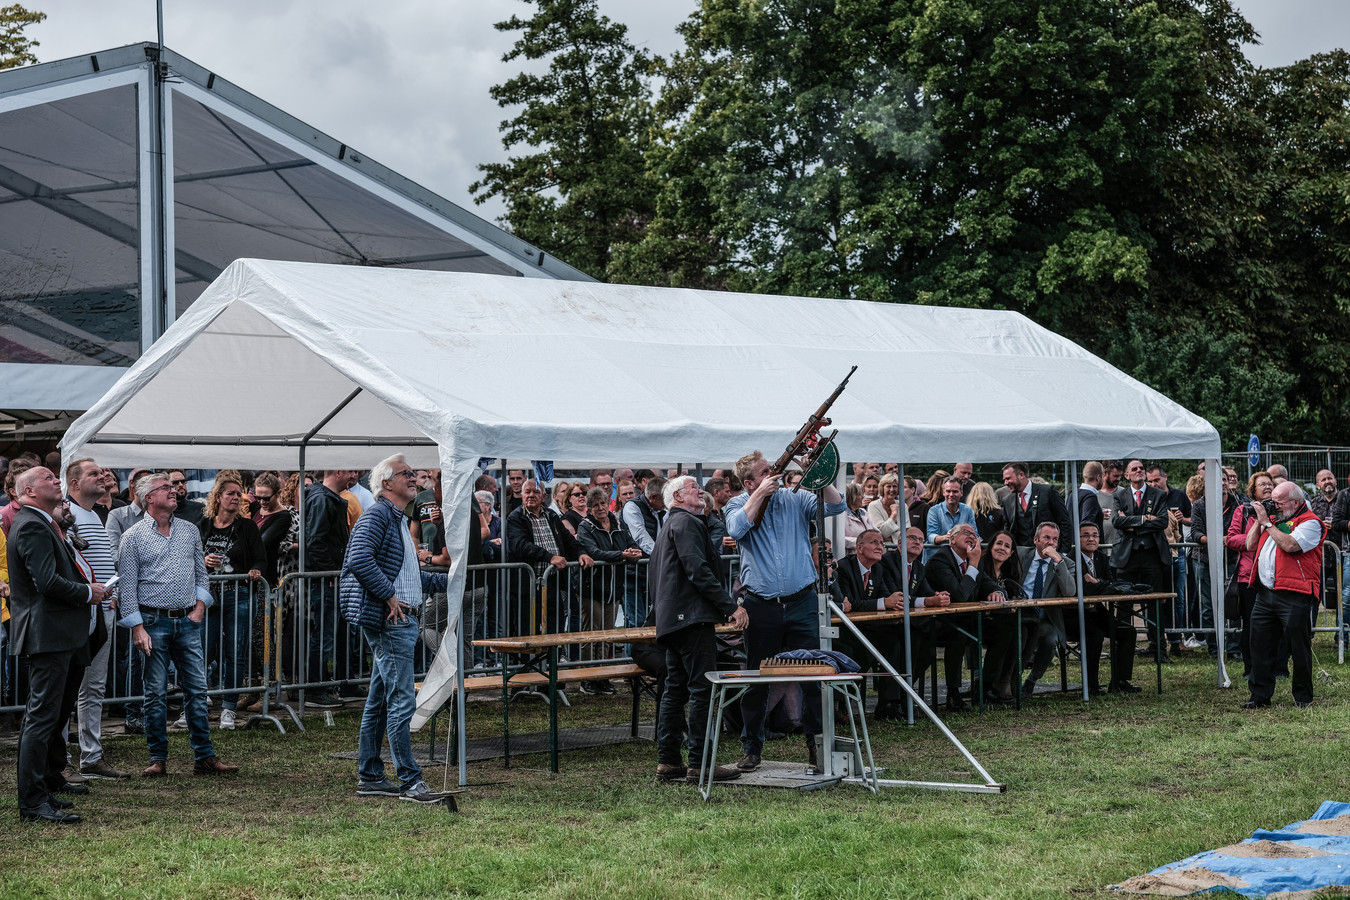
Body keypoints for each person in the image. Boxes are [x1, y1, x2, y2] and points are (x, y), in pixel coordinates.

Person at [725, 450, 846, 773]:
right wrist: (760, 494)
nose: (775, 473)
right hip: (760, 604)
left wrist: (817, 476)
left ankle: (817, 747)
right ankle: (752, 748)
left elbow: (836, 505)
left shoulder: (796, 497)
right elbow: (736, 529)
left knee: (813, 676)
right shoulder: (738, 503)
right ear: (749, 482)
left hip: (801, 601)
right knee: (757, 679)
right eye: (766, 471)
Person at [337, 455, 447, 802]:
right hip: (392, 621)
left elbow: (409, 578)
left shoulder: (397, 518)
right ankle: (410, 780)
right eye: (407, 474)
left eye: (414, 474)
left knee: (380, 702)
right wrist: (388, 596)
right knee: (401, 700)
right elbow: (358, 559)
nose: (415, 478)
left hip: (398, 618)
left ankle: (370, 775)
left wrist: (449, 580)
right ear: (387, 483)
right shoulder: (378, 515)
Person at [117, 473, 237, 778]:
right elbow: (127, 588)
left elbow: (201, 575)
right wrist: (137, 627)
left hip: (187, 622)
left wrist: (199, 608)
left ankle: (205, 757)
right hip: (153, 622)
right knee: (154, 694)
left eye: (172, 488)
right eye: (165, 488)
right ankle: (158, 758)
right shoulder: (132, 537)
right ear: (148, 498)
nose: (173, 491)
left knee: (197, 690)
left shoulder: (189, 531)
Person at [8, 466, 109, 823]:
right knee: (41, 718)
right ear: (30, 491)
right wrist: (88, 593)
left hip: (59, 631)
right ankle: (33, 801)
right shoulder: (33, 524)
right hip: (46, 633)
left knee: (53, 715)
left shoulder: (45, 520)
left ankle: (49, 780)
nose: (57, 481)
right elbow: (47, 582)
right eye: (49, 478)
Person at [650, 475, 748, 784]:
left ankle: (669, 761)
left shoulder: (671, 524)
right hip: (691, 617)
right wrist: (730, 606)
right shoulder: (688, 523)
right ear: (678, 496)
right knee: (702, 688)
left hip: (673, 619)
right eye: (694, 487)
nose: (700, 491)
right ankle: (700, 762)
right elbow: (698, 569)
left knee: (675, 689)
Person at [837, 528, 949, 720]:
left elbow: (890, 597)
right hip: (847, 631)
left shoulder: (880, 568)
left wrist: (935, 597)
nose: (880, 547)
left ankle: (892, 702)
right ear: (859, 547)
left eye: (881, 543)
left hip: (875, 627)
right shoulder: (844, 567)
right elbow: (849, 604)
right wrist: (885, 602)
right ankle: (845, 705)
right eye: (874, 542)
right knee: (870, 649)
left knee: (905, 642)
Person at [64, 458, 128, 780]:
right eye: (94, 473)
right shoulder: (66, 515)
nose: (103, 476)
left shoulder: (93, 515)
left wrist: (113, 597)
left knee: (94, 688)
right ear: (75, 484)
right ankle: (61, 758)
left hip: (103, 609)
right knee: (70, 686)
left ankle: (91, 756)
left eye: (102, 472)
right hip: (82, 611)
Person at [1242, 482, 1325, 708]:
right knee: (1259, 645)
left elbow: (1290, 545)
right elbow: (1250, 545)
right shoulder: (1274, 521)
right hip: (1266, 592)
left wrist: (1267, 522)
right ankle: (1259, 696)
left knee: (1298, 646)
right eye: (1273, 502)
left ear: (1295, 502)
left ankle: (1302, 696)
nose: (1275, 506)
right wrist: (1260, 521)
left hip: (1295, 593)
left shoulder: (1310, 522)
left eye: (1279, 502)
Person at [199, 472, 266, 730]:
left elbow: (260, 559)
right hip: (207, 597)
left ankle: (228, 708)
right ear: (218, 497)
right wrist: (204, 561)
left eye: (239, 494)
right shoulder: (203, 525)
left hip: (238, 595)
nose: (237, 498)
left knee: (234, 653)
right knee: (203, 651)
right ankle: (196, 704)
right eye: (231, 493)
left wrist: (254, 570)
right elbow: (191, 557)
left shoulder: (246, 527)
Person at [922, 523, 1009, 709]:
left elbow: (988, 583)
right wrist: (974, 564)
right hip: (940, 621)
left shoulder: (971, 561)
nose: (972, 537)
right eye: (966, 533)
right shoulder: (940, 561)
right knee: (958, 634)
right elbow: (960, 596)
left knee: (1004, 630)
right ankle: (953, 694)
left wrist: (997, 592)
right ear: (952, 538)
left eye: (975, 534)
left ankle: (984, 687)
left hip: (967, 619)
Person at [506, 479, 594, 636]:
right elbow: (520, 545)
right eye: (527, 492)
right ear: (522, 495)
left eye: (536, 492)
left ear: (543, 496)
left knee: (555, 627)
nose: (531, 495)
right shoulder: (515, 517)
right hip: (527, 585)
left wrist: (582, 553)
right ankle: (527, 661)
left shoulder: (551, 515)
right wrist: (550, 557)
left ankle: (553, 660)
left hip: (551, 583)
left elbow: (568, 540)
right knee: (527, 630)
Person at [575, 485, 642, 690]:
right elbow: (593, 552)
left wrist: (634, 552)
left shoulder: (618, 522)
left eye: (603, 503)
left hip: (614, 587)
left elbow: (631, 543)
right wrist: (621, 555)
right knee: (591, 634)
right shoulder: (585, 526)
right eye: (595, 505)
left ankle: (602, 676)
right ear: (589, 508)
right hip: (592, 587)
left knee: (607, 634)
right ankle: (588, 678)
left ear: (608, 503)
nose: (600, 508)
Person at [1112, 459, 1173, 662]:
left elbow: (1162, 521)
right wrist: (1145, 519)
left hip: (1152, 556)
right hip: (1126, 557)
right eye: (1134, 469)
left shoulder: (1158, 494)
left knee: (1154, 603)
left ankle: (1159, 650)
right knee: (1123, 606)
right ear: (1127, 475)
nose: (1139, 471)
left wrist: (1131, 523)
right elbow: (1116, 522)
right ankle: (1122, 651)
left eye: (1141, 468)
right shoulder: (1119, 495)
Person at [302, 470, 352, 709]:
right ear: (338, 471)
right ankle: (316, 688)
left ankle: (344, 682)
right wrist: (330, 572)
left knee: (338, 632)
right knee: (325, 634)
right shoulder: (322, 498)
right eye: (351, 470)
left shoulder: (328, 498)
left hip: (332, 576)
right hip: (326, 578)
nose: (355, 475)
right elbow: (315, 540)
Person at [1075, 522, 1137, 694]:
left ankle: (1119, 681)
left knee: (1128, 631)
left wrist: (1098, 582)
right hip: (1075, 614)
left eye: (1095, 535)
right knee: (1095, 635)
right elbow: (1082, 588)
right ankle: (1091, 686)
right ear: (1077, 538)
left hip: (1097, 612)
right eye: (1085, 535)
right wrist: (1100, 585)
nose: (1091, 539)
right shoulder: (1071, 559)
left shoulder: (1101, 558)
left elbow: (1111, 584)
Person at [1226, 471, 1276, 680]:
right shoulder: (1243, 510)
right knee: (1252, 624)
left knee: (1276, 625)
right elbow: (1231, 539)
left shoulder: (1281, 508)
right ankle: (1251, 668)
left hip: (1276, 575)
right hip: (1249, 576)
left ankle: (1277, 668)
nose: (1267, 487)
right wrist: (1252, 541)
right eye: (1262, 484)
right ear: (1253, 491)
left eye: (1270, 483)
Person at [1016, 523, 1076, 698]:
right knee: (1019, 634)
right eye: (1047, 538)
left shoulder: (1065, 563)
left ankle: (1031, 681)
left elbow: (1070, 591)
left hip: (1043, 617)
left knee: (1050, 638)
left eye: (1055, 539)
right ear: (1036, 540)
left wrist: (1058, 562)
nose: (1051, 543)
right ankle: (1010, 680)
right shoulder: (1020, 555)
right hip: (1018, 614)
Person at [1000, 462, 1072, 551]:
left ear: (1021, 475)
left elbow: (1065, 522)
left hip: (1050, 554)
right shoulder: (1007, 501)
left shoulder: (1047, 492)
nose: (1005, 483)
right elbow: (1008, 531)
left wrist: (1063, 552)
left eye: (1008, 478)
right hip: (1022, 558)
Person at [925, 476, 976, 562]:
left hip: (960, 558)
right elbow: (931, 536)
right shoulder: (934, 510)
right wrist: (947, 537)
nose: (951, 495)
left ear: (961, 493)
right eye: (948, 491)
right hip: (937, 558)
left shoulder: (968, 510)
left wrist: (959, 536)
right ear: (943, 492)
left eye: (955, 491)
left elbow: (975, 534)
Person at [867, 473, 906, 543]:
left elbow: (906, 531)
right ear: (882, 488)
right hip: (882, 549)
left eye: (894, 486)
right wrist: (893, 514)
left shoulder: (903, 505)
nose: (892, 489)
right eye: (888, 486)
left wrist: (892, 538)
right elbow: (881, 533)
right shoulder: (873, 506)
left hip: (900, 549)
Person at [841, 481, 875, 553]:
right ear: (851, 497)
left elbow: (876, 531)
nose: (863, 497)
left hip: (867, 555)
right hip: (851, 556)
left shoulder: (863, 512)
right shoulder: (842, 515)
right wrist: (861, 543)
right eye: (859, 494)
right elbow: (840, 539)